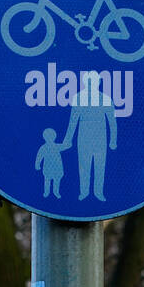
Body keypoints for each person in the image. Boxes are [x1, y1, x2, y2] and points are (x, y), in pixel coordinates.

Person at [60, 73, 117, 201]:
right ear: (85, 82)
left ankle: (98, 192)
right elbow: (73, 121)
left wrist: (113, 140)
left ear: (98, 82)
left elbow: (112, 122)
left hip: (100, 137)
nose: (91, 83)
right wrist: (68, 140)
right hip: (83, 137)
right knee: (84, 165)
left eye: (94, 81)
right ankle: (84, 192)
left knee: (99, 165)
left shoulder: (106, 99)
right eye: (89, 81)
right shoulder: (78, 98)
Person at [35, 128, 64, 197]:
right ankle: (46, 192)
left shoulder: (57, 146)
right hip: (48, 168)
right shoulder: (43, 148)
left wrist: (68, 144)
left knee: (56, 181)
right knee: (47, 180)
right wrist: (37, 164)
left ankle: (56, 192)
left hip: (57, 168)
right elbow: (39, 157)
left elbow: (64, 146)